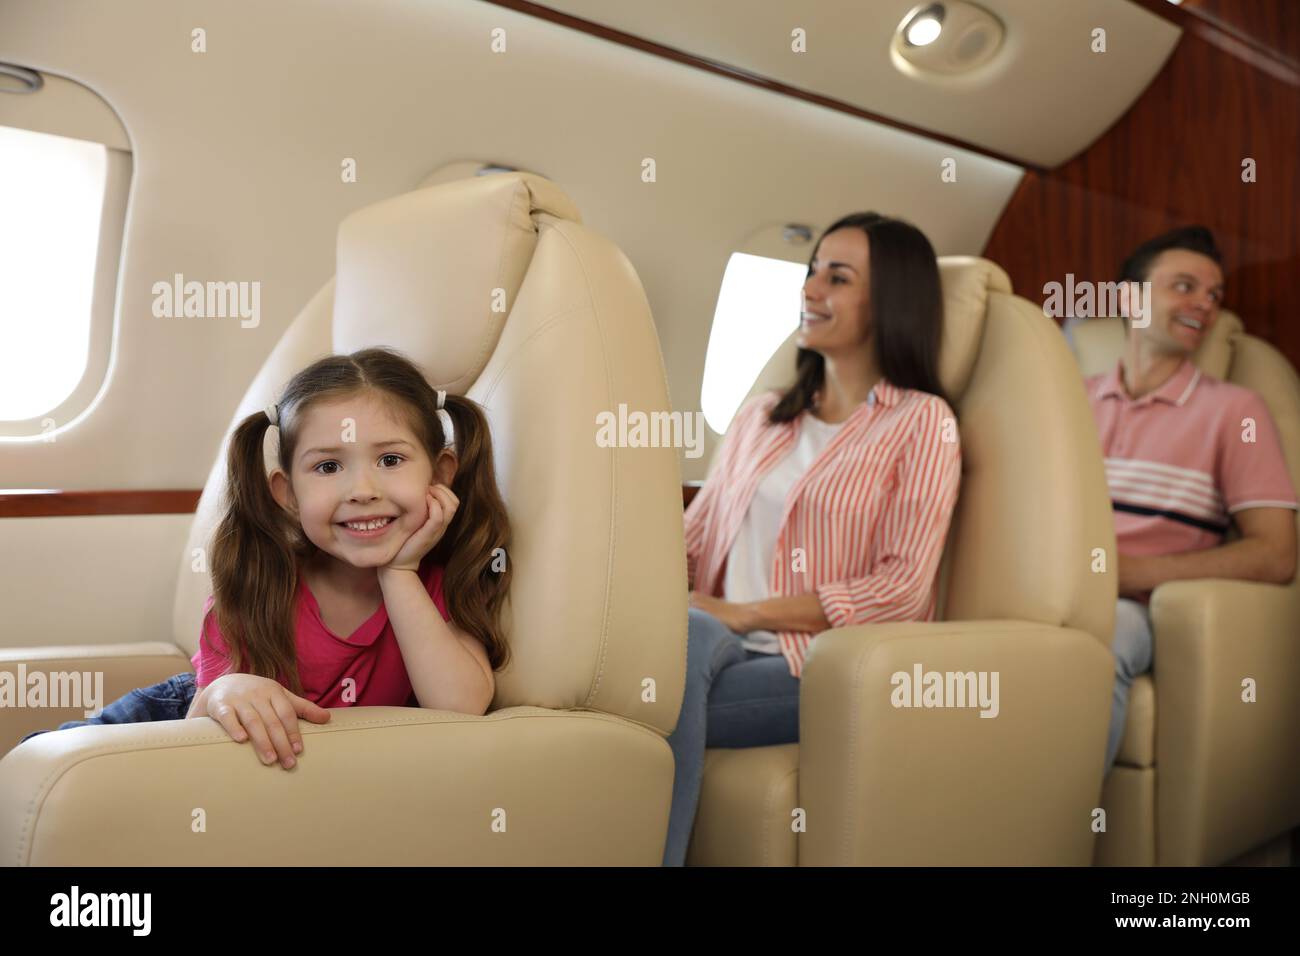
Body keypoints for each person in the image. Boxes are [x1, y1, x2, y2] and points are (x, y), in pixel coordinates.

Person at [19, 347, 513, 770]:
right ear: (289, 494)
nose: (362, 490)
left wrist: (399, 572)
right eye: (328, 466)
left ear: (441, 474)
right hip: (183, 711)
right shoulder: (262, 582)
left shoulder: (440, 585)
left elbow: (461, 707)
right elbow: (202, 734)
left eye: (390, 460)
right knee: (40, 765)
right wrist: (227, 690)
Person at [666, 213, 962, 865]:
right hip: (711, 643)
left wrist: (743, 613)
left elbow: (902, 590)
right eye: (810, 271)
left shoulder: (922, 424)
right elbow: (691, 538)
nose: (810, 289)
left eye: (838, 276)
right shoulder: (761, 417)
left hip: (811, 665)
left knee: (664, 680)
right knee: (657, 657)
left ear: (889, 300)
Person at [1083, 226, 1298, 773]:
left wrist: (1132, 574)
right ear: (1129, 298)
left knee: (1096, 646)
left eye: (1215, 294)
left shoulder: (1236, 411)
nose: (1204, 303)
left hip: (1130, 607)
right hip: (1046, 593)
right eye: (1185, 286)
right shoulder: (1069, 395)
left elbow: (1275, 554)